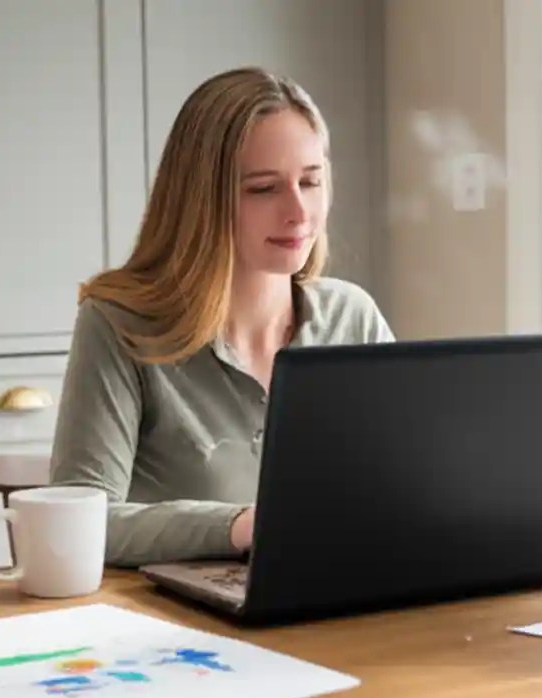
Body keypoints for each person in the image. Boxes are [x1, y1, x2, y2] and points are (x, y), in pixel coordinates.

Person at [49, 67, 394, 568]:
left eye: (311, 181)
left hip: (339, 607)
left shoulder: (352, 316)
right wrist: (240, 526)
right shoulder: (118, 322)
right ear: (201, 200)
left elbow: (406, 484)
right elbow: (84, 520)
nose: (299, 211)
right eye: (263, 189)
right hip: (175, 632)